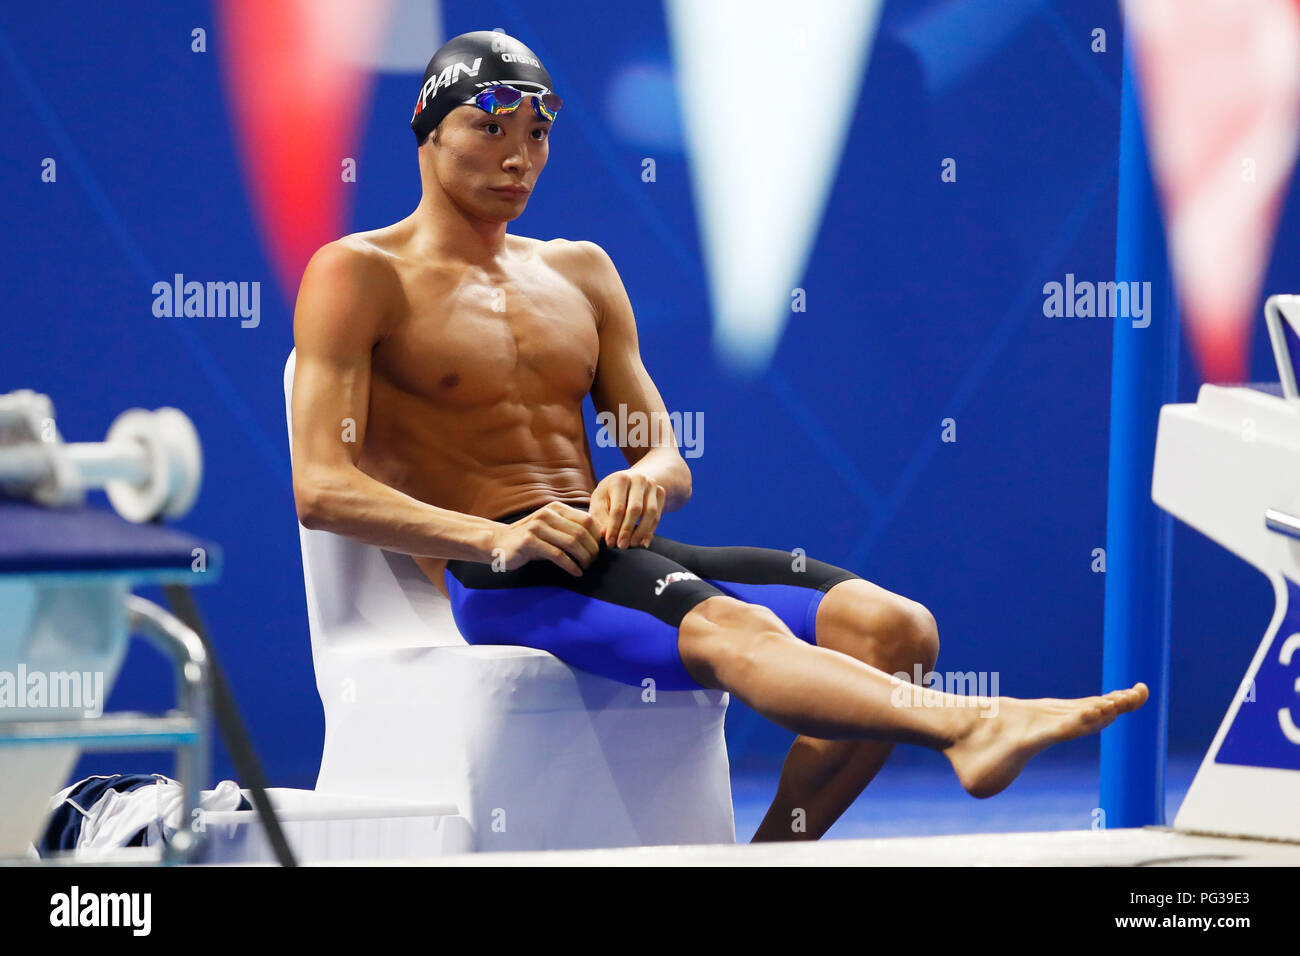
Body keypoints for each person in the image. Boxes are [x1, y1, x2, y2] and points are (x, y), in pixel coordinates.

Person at [289, 30, 1147, 842]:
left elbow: (661, 451)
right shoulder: (359, 274)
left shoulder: (578, 271)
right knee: (742, 630)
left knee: (897, 632)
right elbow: (321, 488)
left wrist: (646, 481)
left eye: (538, 133)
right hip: (504, 575)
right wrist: (493, 534)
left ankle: (773, 854)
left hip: (605, 551)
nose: (519, 157)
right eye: (488, 128)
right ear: (427, 136)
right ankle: (969, 724)